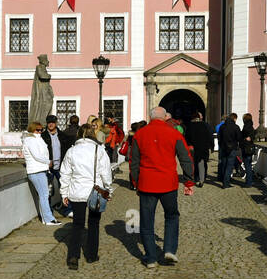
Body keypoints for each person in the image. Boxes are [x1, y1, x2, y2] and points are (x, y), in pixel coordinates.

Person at [129, 106, 194, 267]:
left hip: (146, 183)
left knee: (146, 221)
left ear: (150, 117)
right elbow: (185, 157)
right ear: (165, 117)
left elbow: (134, 162)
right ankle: (169, 250)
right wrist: (188, 181)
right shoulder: (174, 133)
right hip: (168, 183)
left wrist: (136, 182)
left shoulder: (139, 134)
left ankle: (150, 258)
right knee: (171, 216)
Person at [59, 124, 113, 269]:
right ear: (93, 135)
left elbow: (65, 174)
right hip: (95, 191)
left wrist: (64, 192)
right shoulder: (99, 150)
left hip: (77, 191)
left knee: (77, 224)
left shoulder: (71, 151)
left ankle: (73, 256)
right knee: (94, 224)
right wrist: (108, 190)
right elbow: (106, 173)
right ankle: (91, 255)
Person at [21, 122, 60, 226]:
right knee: (44, 195)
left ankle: (46, 218)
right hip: (36, 171)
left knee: (44, 195)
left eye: (41, 130)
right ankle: (48, 219)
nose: (40, 132)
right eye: (37, 130)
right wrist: (48, 162)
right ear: (32, 129)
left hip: (41, 170)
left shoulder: (37, 139)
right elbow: (36, 155)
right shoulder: (30, 140)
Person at [43, 115, 70, 218]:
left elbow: (67, 150)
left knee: (64, 186)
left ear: (56, 123)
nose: (51, 124)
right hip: (48, 167)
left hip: (60, 166)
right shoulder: (43, 136)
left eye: (53, 122)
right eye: (49, 122)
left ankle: (68, 209)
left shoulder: (62, 136)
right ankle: (49, 211)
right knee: (48, 189)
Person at [184, 112, 214, 189]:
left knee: (193, 163)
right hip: (203, 148)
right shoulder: (205, 125)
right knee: (201, 164)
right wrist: (211, 146)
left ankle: (194, 178)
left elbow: (186, 138)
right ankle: (201, 180)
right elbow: (210, 136)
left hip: (193, 148)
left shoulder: (190, 126)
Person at [216, 113, 241, 188]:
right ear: (234, 119)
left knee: (224, 164)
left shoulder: (222, 127)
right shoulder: (236, 127)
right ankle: (226, 183)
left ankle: (224, 179)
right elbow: (239, 138)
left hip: (223, 148)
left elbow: (219, 137)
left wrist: (221, 145)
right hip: (232, 149)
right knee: (229, 166)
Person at [239, 113, 257, 187]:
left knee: (248, 166)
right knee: (248, 165)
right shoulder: (251, 126)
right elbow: (252, 136)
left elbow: (244, 136)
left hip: (246, 149)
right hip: (250, 149)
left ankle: (248, 182)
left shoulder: (246, 126)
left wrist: (243, 139)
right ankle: (249, 182)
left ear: (245, 119)